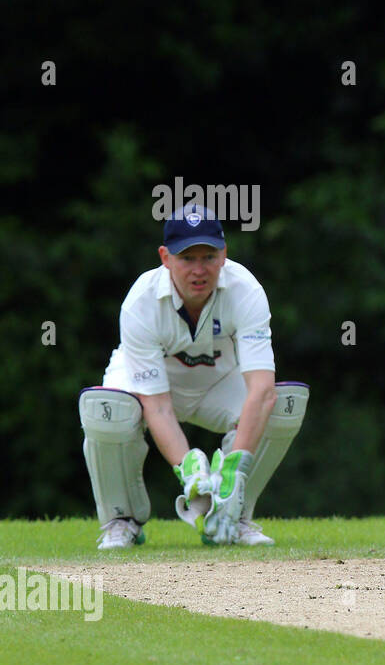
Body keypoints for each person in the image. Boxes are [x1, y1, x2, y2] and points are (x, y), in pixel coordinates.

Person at [79, 204, 309, 549]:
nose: (199, 270)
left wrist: (236, 468)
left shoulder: (246, 291)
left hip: (217, 382)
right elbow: (157, 407)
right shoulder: (140, 303)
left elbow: (261, 389)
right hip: (149, 389)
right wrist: (187, 468)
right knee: (106, 410)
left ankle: (233, 515)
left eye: (209, 257)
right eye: (187, 258)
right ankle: (122, 521)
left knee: (282, 405)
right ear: (165, 257)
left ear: (224, 255)